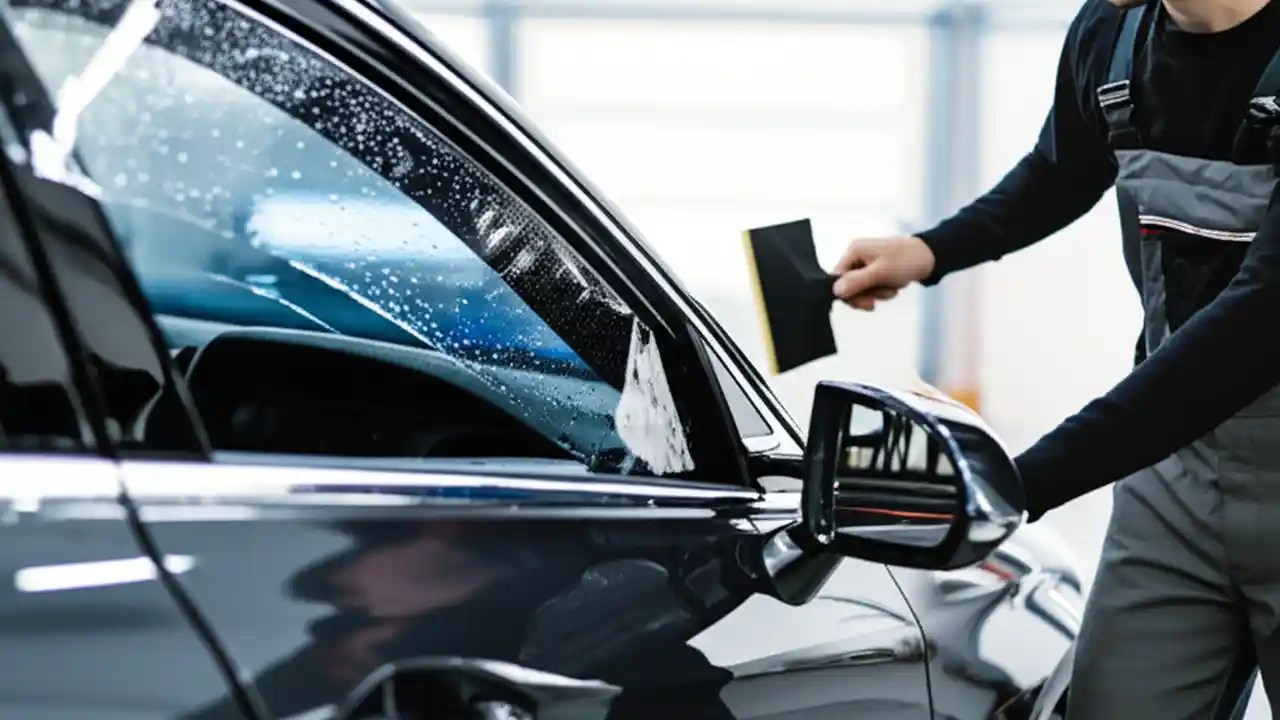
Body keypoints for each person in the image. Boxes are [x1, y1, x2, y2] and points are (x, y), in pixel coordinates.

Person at [831, 0, 1280, 717]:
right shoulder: (1113, 35)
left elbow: (1253, 331)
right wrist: (931, 251)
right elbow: (1064, 168)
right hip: (1172, 480)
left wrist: (1016, 485)